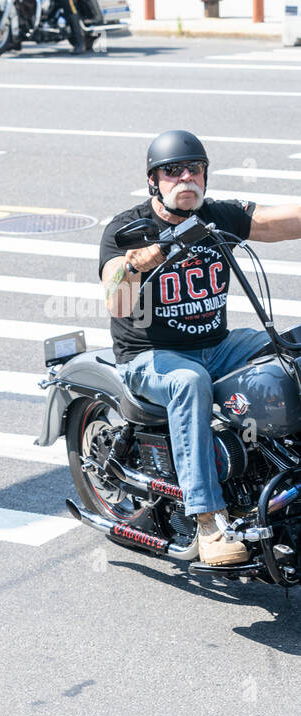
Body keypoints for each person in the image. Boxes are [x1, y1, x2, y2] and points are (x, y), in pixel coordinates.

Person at [99, 130, 301, 565]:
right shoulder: (128, 228)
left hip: (218, 344)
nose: (185, 177)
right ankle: (209, 521)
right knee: (190, 383)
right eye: (172, 171)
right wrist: (138, 260)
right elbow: (115, 297)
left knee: (293, 346)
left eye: (194, 169)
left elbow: (279, 220)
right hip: (151, 357)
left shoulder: (216, 217)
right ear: (154, 180)